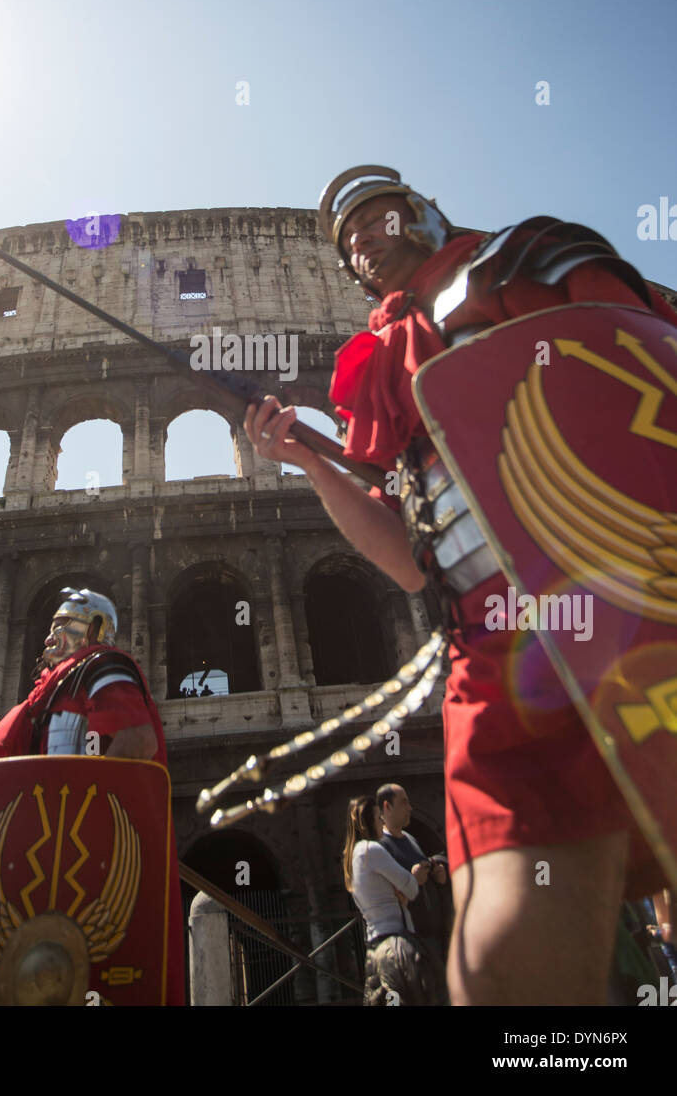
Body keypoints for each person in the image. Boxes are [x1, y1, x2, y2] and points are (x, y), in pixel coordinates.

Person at [245, 165, 677, 1006]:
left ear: (424, 211)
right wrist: (306, 462)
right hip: (493, 658)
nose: (364, 241)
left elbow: (642, 379)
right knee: (504, 968)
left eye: (377, 217)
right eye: (349, 241)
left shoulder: (527, 257)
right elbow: (411, 559)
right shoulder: (378, 362)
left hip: (632, 600)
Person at [0, 586, 185, 1006]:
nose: (50, 637)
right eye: (50, 627)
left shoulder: (101, 665)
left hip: (79, 851)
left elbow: (136, 740)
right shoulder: (53, 690)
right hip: (46, 849)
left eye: (63, 626)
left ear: (96, 629)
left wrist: (89, 828)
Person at [342, 794, 443, 1006]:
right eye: (378, 818)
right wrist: (413, 878)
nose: (382, 822)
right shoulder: (372, 850)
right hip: (396, 944)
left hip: (374, 947)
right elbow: (410, 886)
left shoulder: (353, 856)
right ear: (367, 822)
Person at [377, 783, 451, 963]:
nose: (410, 808)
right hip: (411, 940)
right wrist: (412, 879)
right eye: (404, 803)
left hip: (433, 937)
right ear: (387, 807)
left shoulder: (411, 839)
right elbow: (385, 896)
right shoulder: (379, 848)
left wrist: (437, 875)